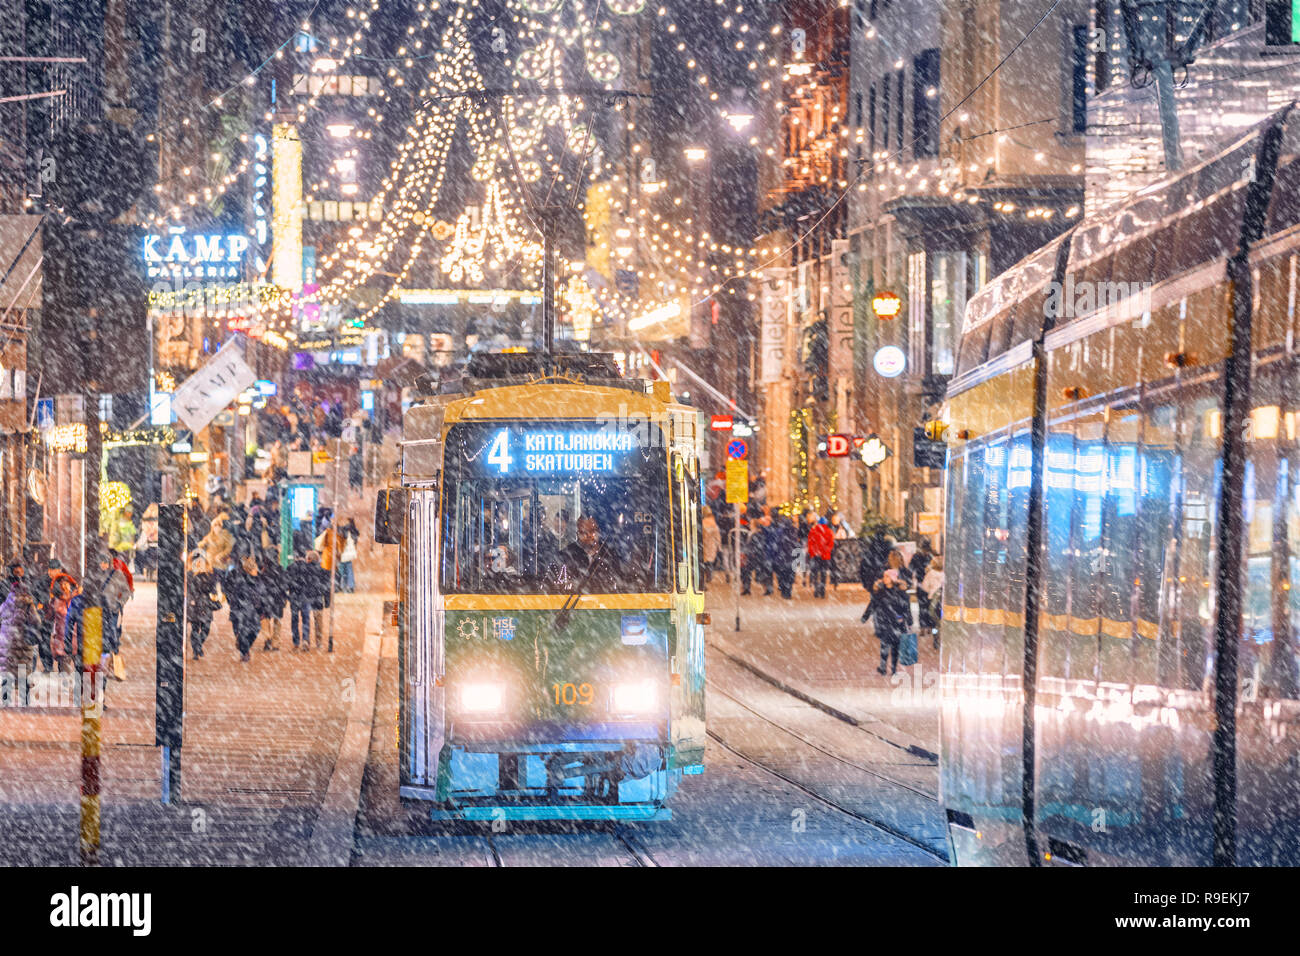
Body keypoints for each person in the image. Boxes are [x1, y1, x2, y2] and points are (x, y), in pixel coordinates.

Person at [862, 551, 913, 676]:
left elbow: (906, 607)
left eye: (886, 577)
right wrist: (865, 616)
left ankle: (890, 668)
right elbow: (873, 603)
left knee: (893, 646)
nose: (883, 579)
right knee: (887, 645)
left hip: (894, 622)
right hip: (888, 622)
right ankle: (884, 667)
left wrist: (908, 620)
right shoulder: (884, 591)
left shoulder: (896, 592)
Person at [557, 515, 624, 591]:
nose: (589, 535)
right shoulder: (567, 555)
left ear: (598, 532)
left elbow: (619, 584)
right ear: (577, 534)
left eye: (592, 531)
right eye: (583, 532)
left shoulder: (610, 555)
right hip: (574, 598)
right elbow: (558, 587)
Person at [223, 556, 264, 662]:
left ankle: (244, 647)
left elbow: (262, 595)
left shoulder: (259, 580)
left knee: (255, 630)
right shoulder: (241, 581)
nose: (257, 571)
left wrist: (262, 609)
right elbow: (234, 596)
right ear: (250, 570)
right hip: (242, 611)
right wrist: (235, 609)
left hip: (254, 611)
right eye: (255, 569)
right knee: (243, 632)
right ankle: (244, 652)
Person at [187, 553, 221, 659]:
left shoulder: (210, 576)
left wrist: (215, 595)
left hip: (206, 604)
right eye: (198, 563)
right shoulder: (191, 575)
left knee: (206, 629)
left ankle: (198, 645)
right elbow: (189, 590)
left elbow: (213, 589)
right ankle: (195, 651)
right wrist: (191, 600)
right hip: (195, 604)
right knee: (195, 629)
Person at [286, 551, 320, 651]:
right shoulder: (309, 567)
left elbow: (287, 584)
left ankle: (296, 642)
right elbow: (312, 583)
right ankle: (305, 639)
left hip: (294, 597)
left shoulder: (290, 567)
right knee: (306, 619)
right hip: (305, 597)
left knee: (294, 620)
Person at [259, 547, 287, 651]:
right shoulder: (281, 569)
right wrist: (284, 597)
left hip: (266, 598)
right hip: (278, 598)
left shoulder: (263, 570)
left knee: (265, 619)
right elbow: (284, 585)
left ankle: (267, 638)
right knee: (277, 621)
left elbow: (260, 586)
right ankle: (276, 643)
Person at [768, 513, 798, 599]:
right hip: (791, 558)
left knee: (782, 575)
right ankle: (788, 592)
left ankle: (784, 590)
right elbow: (796, 545)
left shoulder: (779, 531)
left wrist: (774, 556)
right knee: (790, 576)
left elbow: (775, 545)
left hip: (781, 558)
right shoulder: (794, 531)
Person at [741, 511, 772, 596]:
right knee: (747, 572)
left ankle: (767, 588)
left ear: (754, 525)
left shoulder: (758, 533)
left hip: (756, 556)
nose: (749, 525)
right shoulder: (752, 533)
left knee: (760, 573)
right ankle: (747, 588)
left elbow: (758, 545)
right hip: (752, 556)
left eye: (751, 523)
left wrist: (752, 552)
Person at [920, 556, 944, 649]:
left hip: (933, 599)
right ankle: (942, 637)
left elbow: (924, 586)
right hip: (943, 600)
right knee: (941, 621)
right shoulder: (945, 574)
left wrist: (931, 590)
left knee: (934, 623)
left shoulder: (930, 573)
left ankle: (936, 639)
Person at [807, 517, 835, 599]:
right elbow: (831, 544)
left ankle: (816, 590)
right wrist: (826, 551)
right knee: (823, 574)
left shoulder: (813, 531)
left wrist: (812, 552)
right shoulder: (829, 531)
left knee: (815, 573)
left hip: (816, 556)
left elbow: (810, 543)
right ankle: (822, 591)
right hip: (825, 556)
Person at [337, 517, 360, 593]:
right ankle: (350, 587)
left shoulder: (343, 531)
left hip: (343, 554)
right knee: (349, 570)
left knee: (343, 571)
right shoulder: (353, 532)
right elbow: (356, 537)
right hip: (349, 555)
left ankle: (342, 586)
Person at [701, 508, 721, 586]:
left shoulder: (702, 522)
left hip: (704, 544)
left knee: (705, 561)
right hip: (712, 545)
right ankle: (709, 575)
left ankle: (706, 575)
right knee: (710, 561)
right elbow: (717, 536)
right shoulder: (714, 524)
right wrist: (719, 546)